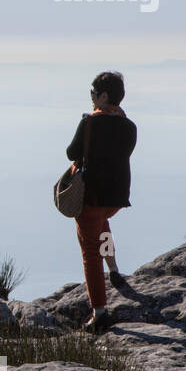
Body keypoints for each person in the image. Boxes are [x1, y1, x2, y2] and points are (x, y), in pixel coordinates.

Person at [67, 70, 137, 333]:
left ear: (104, 96)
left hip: (91, 197)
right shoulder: (130, 127)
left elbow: (71, 153)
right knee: (102, 224)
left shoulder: (89, 124)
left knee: (89, 253)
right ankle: (115, 269)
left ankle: (99, 313)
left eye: (93, 93)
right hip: (115, 198)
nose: (91, 98)